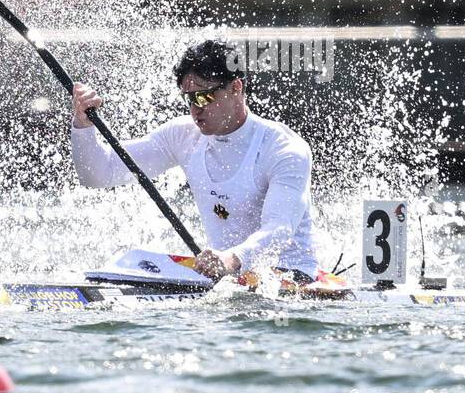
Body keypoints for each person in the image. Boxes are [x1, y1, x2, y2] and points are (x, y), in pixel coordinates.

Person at [69, 40, 319, 281]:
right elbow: (99, 174)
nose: (195, 109)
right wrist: (83, 126)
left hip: (289, 276)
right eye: (189, 98)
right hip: (226, 277)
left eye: (204, 97)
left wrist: (231, 260)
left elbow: (279, 230)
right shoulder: (182, 136)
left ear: (236, 88)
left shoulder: (284, 149)